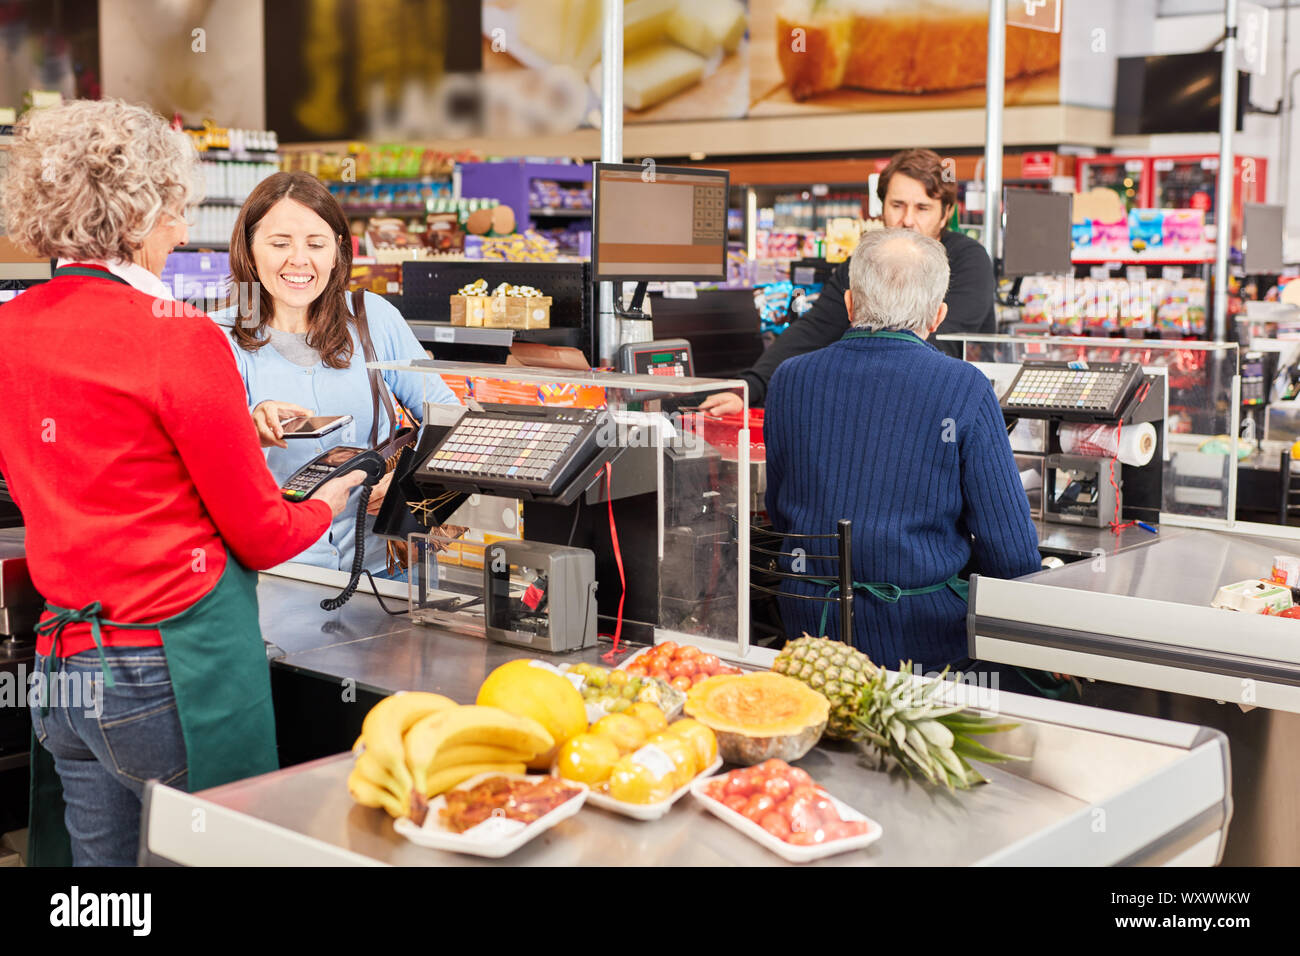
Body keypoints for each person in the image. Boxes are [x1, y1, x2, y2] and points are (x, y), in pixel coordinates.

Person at [0, 99, 362, 866]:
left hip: (65, 664)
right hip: (171, 671)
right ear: (139, 212)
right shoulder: (178, 336)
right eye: (174, 211)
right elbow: (262, 536)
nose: (180, 231)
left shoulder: (12, 327)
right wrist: (327, 498)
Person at [763, 227, 1048, 694]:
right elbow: (1011, 552)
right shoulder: (965, 387)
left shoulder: (790, 379)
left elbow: (781, 510)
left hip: (809, 637)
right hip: (923, 648)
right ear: (938, 316)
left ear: (850, 304)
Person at [212, 171, 458, 576]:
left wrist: (405, 487)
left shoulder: (372, 317)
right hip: (275, 574)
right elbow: (198, 469)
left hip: (386, 573)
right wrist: (247, 429)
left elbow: (451, 420)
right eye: (279, 243)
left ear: (338, 250)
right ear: (249, 249)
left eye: (315, 243)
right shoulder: (216, 336)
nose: (299, 260)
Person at [701, 148, 995, 416]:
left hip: (953, 412)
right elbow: (813, 330)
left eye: (922, 208)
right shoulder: (864, 262)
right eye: (897, 205)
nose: (907, 220)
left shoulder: (968, 260)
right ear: (880, 208)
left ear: (945, 214)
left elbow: (944, 343)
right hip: (879, 412)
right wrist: (750, 387)